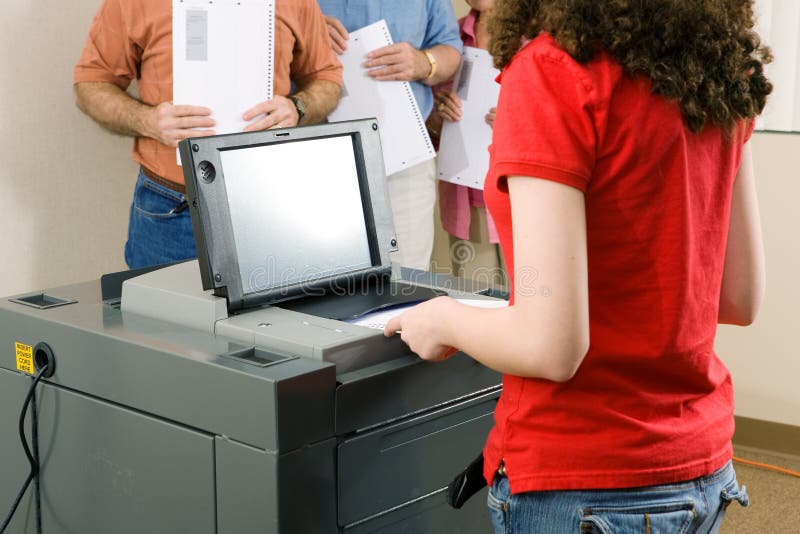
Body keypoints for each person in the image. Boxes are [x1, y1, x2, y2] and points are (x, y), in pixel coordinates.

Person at [385, 0, 771, 531]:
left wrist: (443, 318)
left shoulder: (553, 71)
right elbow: (740, 297)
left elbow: (552, 346)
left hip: (584, 477)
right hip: (698, 468)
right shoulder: (715, 70)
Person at [74, 0, 342, 269]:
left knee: (278, 312)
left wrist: (298, 108)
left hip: (270, 203)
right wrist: (148, 121)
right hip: (172, 207)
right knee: (161, 311)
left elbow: (326, 76)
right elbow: (91, 83)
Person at [318, 0, 462, 270]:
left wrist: (424, 62)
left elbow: (450, 46)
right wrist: (306, 35)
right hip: (317, 155)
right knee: (317, 280)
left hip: (404, 162)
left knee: (405, 280)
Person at [427, 0, 506, 288]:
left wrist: (522, 125)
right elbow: (430, 129)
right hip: (466, 198)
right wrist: (437, 120)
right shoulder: (449, 39)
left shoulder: (542, 39)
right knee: (477, 300)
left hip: (522, 199)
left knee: (533, 299)